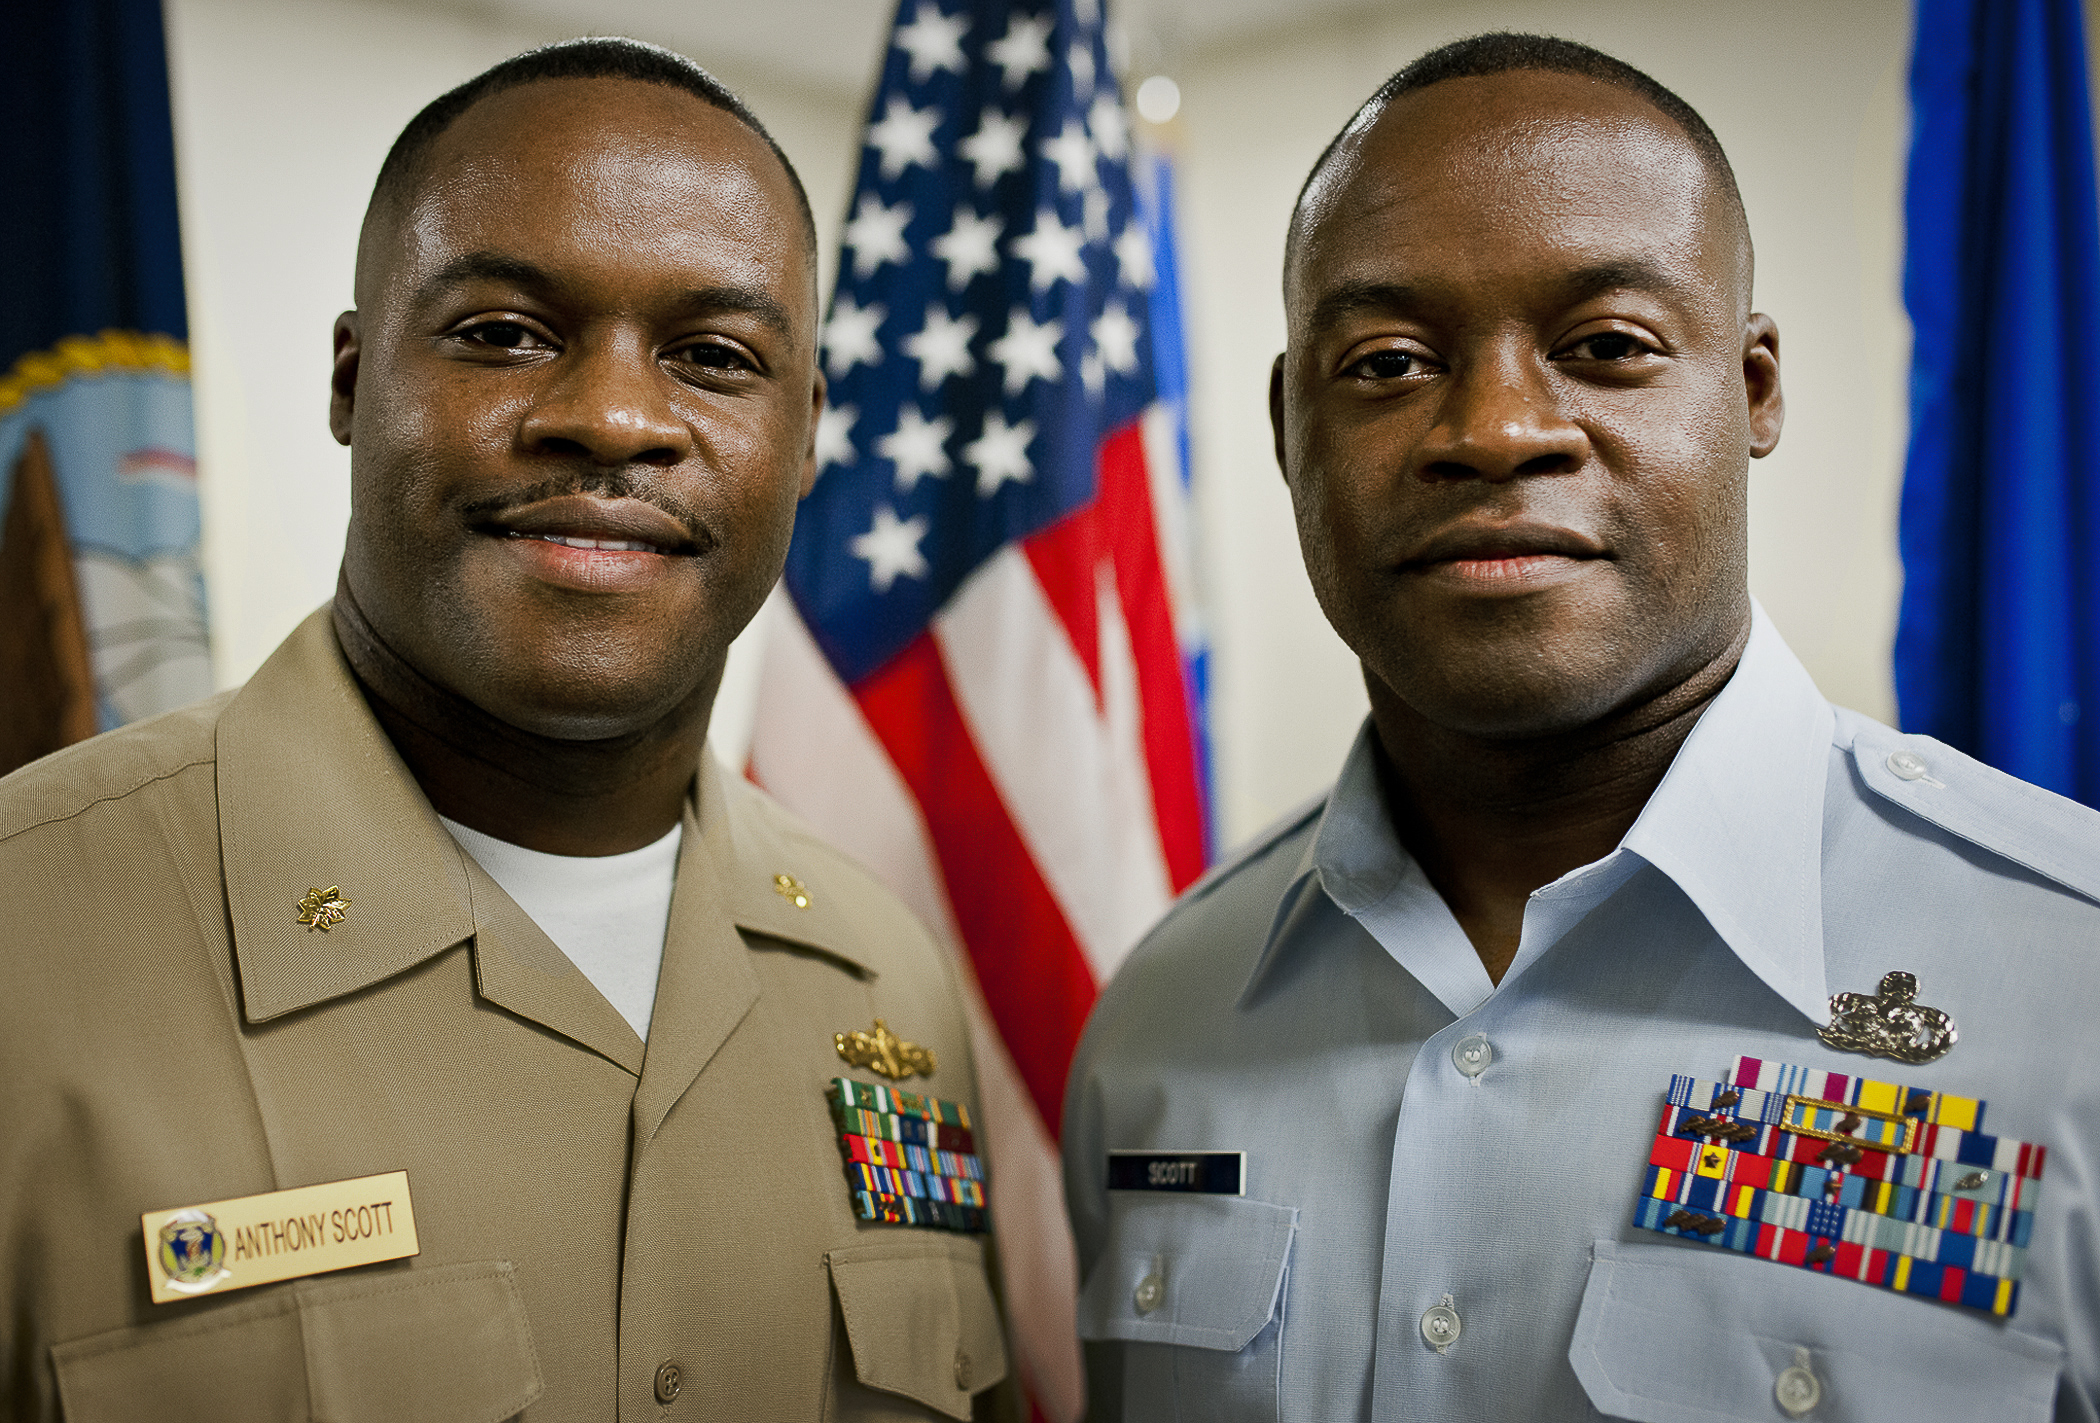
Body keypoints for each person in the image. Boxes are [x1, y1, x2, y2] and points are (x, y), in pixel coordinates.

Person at [1064, 32, 2100, 1423]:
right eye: (1386, 360)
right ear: (1286, 424)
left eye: (1606, 346)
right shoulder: (1162, 1021)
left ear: (1753, 392)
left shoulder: (2069, 976)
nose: (1495, 430)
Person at [0, 39, 1014, 1422]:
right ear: (354, 382)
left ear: (807, 436)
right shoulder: (29, 931)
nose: (609, 417)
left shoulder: (882, 976)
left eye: (714, 357)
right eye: (501, 334)